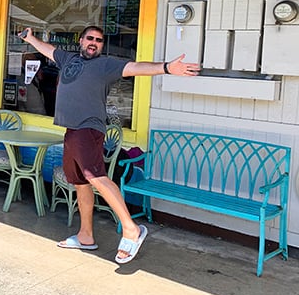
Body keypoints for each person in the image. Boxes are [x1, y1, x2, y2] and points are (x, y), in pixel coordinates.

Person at [19, 25, 200, 264]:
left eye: (99, 40)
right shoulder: (68, 59)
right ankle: (85, 236)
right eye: (90, 38)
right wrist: (31, 38)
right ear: (81, 40)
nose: (94, 42)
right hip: (71, 130)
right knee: (81, 183)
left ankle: (131, 229)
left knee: (95, 177)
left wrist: (166, 68)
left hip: (89, 128)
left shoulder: (105, 65)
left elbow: (136, 67)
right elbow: (48, 49)